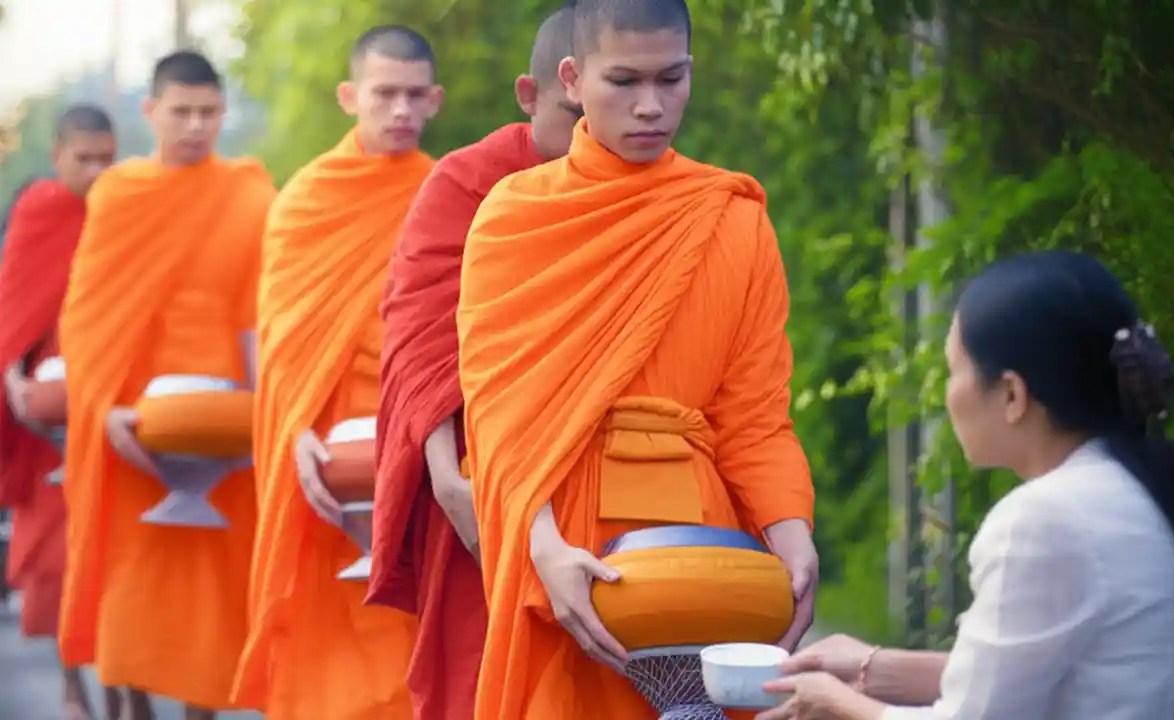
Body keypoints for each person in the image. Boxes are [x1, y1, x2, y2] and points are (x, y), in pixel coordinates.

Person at [454, 1, 819, 717]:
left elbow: (753, 418)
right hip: (570, 551)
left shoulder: (729, 216)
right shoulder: (514, 216)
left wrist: (792, 536)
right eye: (623, 80)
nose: (651, 106)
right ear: (572, 78)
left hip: (702, 551)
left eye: (671, 79)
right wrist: (543, 551)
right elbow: (497, 422)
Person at [760, 251, 1174, 720]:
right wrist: (873, 667)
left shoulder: (1045, 519)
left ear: (1011, 395)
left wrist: (835, 703)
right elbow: (1025, 671)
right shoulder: (1153, 487)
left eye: (953, 371)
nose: (947, 395)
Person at [367, 5, 579, 719]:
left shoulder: (661, 194)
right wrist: (442, 467)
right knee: (480, 675)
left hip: (607, 478)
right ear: (532, 93)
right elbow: (417, 326)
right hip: (479, 466)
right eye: (569, 111)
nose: (587, 132)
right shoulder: (470, 181)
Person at [232, 25, 442, 720]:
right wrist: (294, 433)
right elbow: (286, 339)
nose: (401, 110)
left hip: (418, 447)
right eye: (385, 94)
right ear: (351, 96)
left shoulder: (447, 194)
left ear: (437, 100)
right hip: (331, 451)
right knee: (328, 647)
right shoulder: (306, 199)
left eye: (416, 96)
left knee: (411, 640)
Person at [58, 51, 276, 720]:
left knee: (209, 599)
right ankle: (131, 702)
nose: (195, 125)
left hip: (220, 423)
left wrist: (263, 416)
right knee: (134, 588)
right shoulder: (119, 196)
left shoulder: (248, 192)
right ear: (151, 112)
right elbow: (87, 317)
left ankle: (199, 710)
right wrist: (105, 412)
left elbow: (259, 318)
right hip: (137, 425)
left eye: (208, 112)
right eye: (180, 111)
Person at [0, 105, 118, 720]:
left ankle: (129, 689)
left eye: (108, 158)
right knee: (61, 562)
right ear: (58, 157)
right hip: (48, 417)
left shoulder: (126, 211)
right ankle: (73, 689)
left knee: (122, 561)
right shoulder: (40, 212)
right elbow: (14, 310)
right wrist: (14, 383)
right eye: (85, 159)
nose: (98, 171)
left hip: (113, 408)